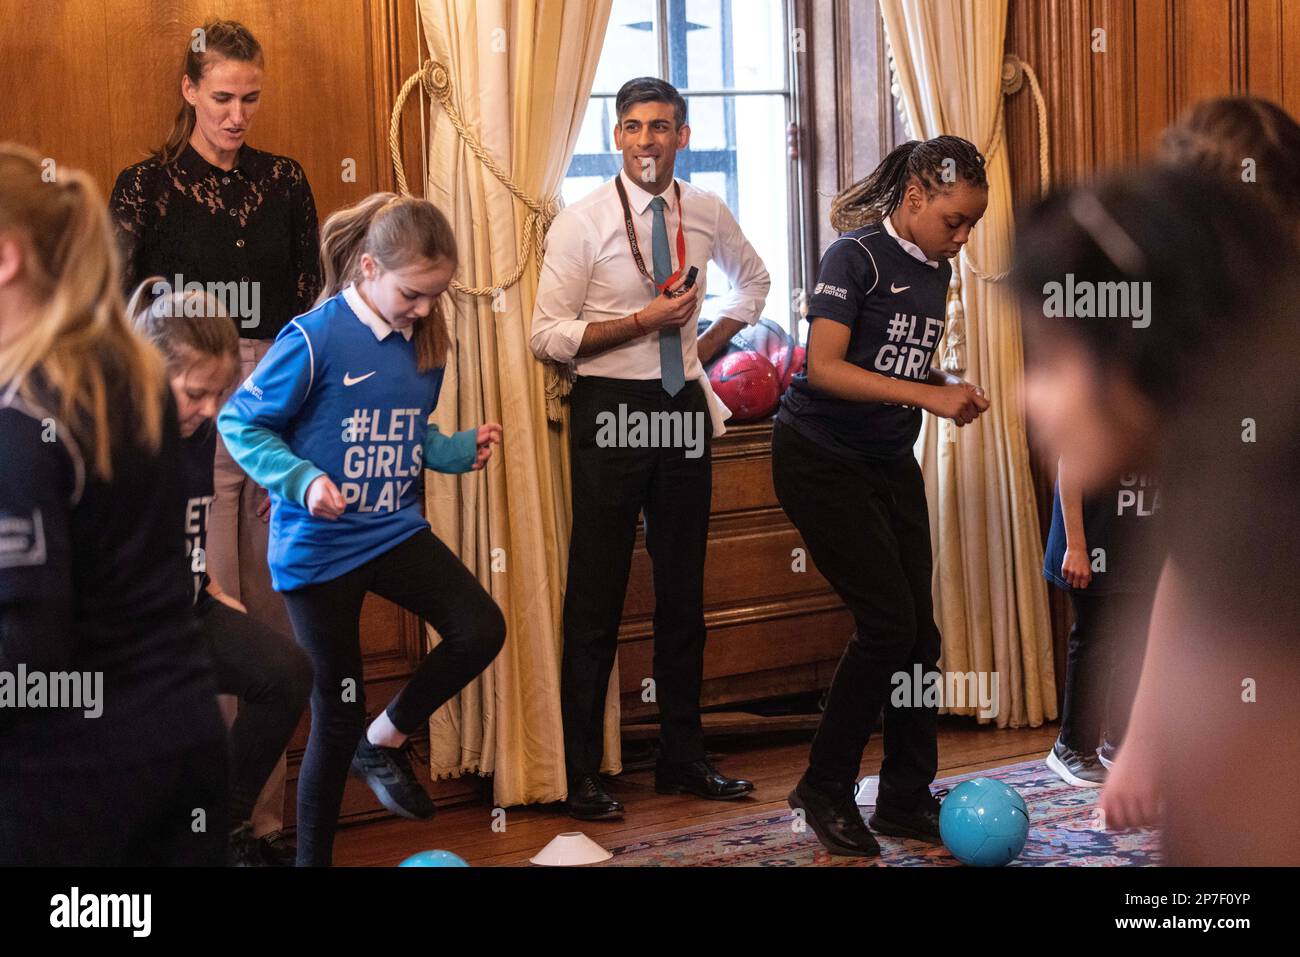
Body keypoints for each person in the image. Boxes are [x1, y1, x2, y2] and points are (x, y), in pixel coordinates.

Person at [1011, 162, 1300, 863]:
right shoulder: (1225, 507)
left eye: (1051, 359)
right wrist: (1144, 741)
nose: (1027, 396)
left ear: (1143, 354)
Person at [217, 193, 505, 866]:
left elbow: (408, 434)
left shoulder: (426, 341)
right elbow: (240, 423)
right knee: (336, 712)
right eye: (413, 294)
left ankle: (385, 737)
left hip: (393, 532)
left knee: (480, 627)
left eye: (435, 295)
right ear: (369, 268)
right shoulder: (313, 338)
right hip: (318, 553)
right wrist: (301, 480)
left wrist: (454, 450)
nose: (425, 309)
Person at [530, 77, 771, 820]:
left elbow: (755, 283)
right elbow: (546, 336)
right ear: (616, 136)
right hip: (610, 407)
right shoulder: (583, 222)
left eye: (660, 126)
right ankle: (580, 772)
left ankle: (682, 758)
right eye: (633, 126)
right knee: (596, 593)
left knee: (683, 593)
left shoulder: (706, 210)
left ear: (682, 136)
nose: (646, 140)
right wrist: (643, 322)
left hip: (681, 406)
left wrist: (700, 346)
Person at [108, 18, 320, 856]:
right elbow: (117, 314)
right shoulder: (146, 185)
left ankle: (255, 826)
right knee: (210, 621)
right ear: (190, 90)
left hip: (271, 403)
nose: (237, 115)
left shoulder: (285, 179)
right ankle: (200, 828)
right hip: (186, 409)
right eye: (223, 97)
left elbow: (307, 310)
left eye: (251, 99)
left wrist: (291, 426)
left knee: (274, 628)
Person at [0, 143, 227, 865]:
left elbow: (27, 658)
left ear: (6, 257)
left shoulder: (27, 412)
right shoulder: (127, 375)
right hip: (180, 734)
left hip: (80, 780)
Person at [774, 136, 990, 857]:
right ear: (916, 197)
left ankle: (902, 796)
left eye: (972, 225)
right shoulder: (854, 257)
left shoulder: (935, 267)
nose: (962, 238)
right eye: (954, 221)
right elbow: (826, 369)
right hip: (819, 458)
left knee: (920, 635)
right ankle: (824, 787)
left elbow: (896, 360)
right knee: (888, 625)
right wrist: (931, 396)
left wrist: (945, 381)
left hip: (887, 458)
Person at [128, 277, 313, 865]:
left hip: (186, 607)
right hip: (128, 631)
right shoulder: (108, 433)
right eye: (196, 393)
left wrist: (204, 581)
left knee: (286, 671)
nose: (210, 410)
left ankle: (223, 827)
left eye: (219, 394)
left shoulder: (197, 425)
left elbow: (185, 521)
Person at [1040, 460, 1160, 787]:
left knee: (1134, 642)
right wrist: (1076, 546)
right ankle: (1071, 748)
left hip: (1137, 540)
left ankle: (1120, 744)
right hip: (1090, 539)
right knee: (1095, 641)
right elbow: (1071, 464)